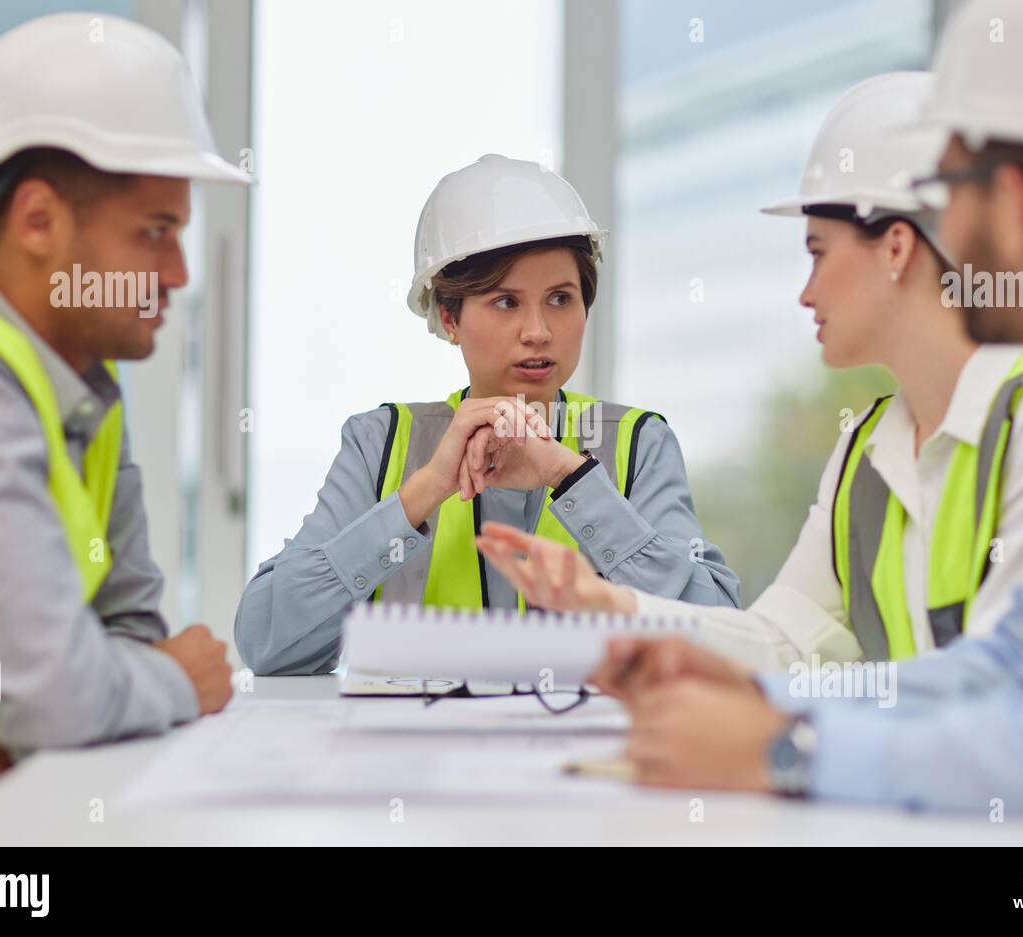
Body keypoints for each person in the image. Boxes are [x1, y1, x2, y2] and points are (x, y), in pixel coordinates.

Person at [570, 0, 1023, 838]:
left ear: (1013, 200)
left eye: (947, 188)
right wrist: (764, 697)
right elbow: (1013, 667)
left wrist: (791, 752)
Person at [478, 73, 1023, 671]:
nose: (806, 294)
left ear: (895, 247)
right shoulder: (868, 449)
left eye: (818, 253)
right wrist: (612, 604)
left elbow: (999, 687)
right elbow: (782, 645)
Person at [0, 13, 250, 835]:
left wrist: (46, 722)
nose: (180, 274)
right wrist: (154, 684)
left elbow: (124, 629)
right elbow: (63, 694)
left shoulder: (79, 380)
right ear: (38, 222)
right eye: (155, 234)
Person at [234, 154, 741, 676]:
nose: (538, 331)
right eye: (505, 302)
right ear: (450, 318)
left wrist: (571, 479)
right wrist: (426, 487)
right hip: (412, 754)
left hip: (583, 754)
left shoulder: (638, 443)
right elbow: (267, 643)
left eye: (561, 299)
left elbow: (721, 641)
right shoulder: (381, 443)